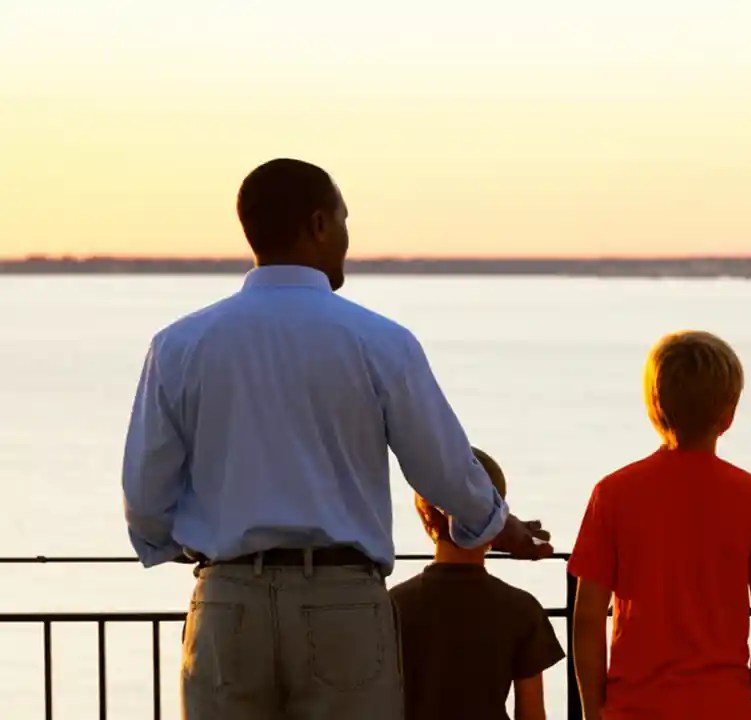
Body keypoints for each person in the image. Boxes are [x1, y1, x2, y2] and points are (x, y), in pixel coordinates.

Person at [121, 158, 552, 719]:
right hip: (341, 603)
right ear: (320, 224)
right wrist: (498, 526)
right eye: (345, 220)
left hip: (228, 604)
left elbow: (144, 496)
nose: (348, 236)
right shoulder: (380, 341)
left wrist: (205, 549)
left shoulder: (179, 345)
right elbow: (444, 471)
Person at [569, 330, 751, 720]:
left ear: (654, 408)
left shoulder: (614, 493)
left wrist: (593, 711)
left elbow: (588, 618)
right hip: (724, 707)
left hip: (633, 708)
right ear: (728, 415)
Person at [392, 447, 564, 720]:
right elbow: (531, 714)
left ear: (425, 518)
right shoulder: (521, 609)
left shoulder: (393, 606)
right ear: (498, 518)